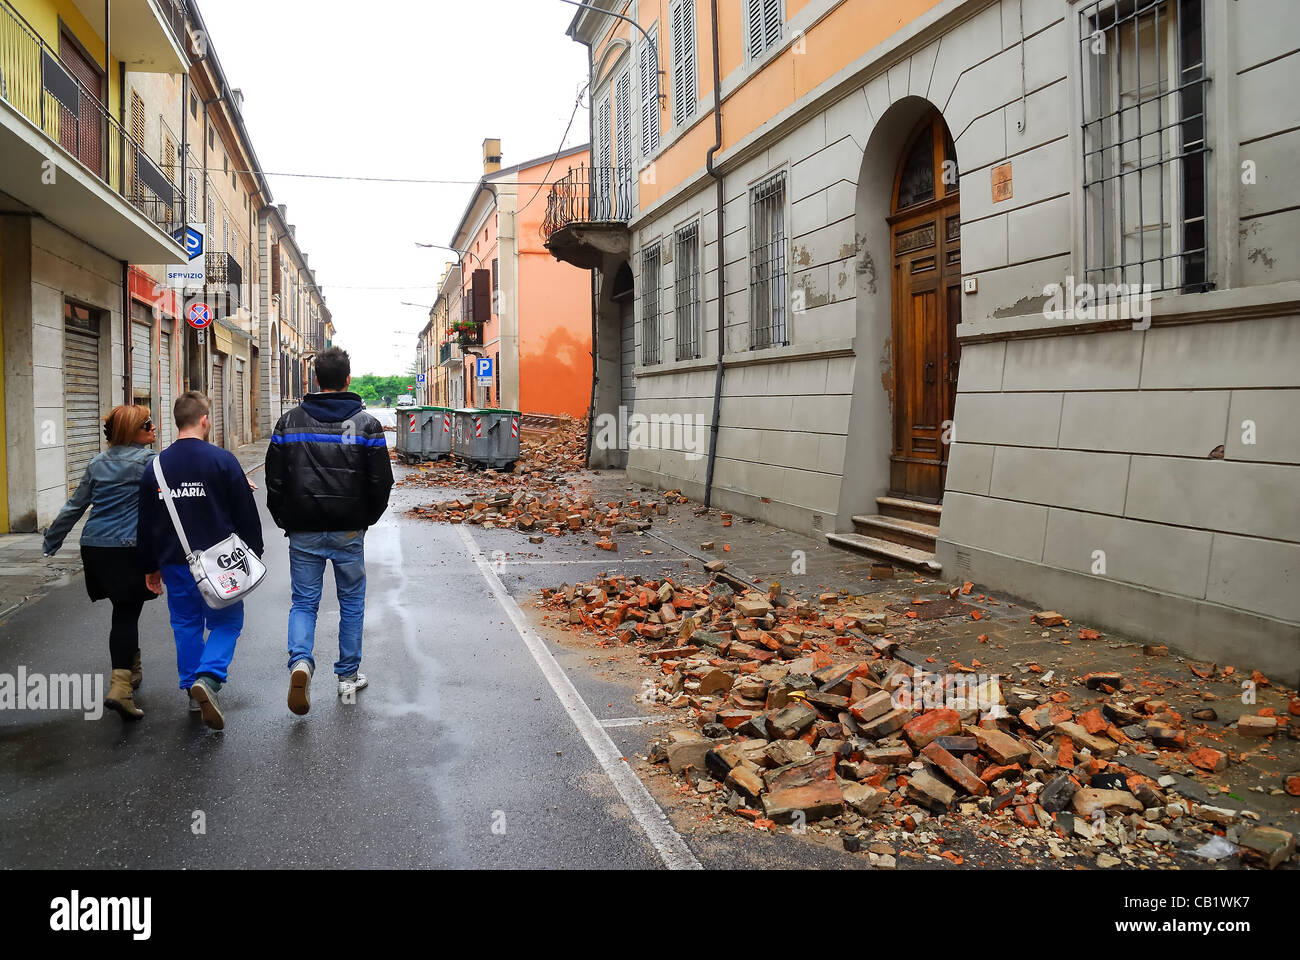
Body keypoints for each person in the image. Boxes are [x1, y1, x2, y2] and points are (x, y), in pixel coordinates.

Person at [265, 347, 392, 716]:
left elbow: (275, 481)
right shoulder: (367, 425)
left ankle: (301, 663)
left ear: (316, 379)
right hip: (348, 530)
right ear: (348, 379)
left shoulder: (289, 423)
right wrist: (364, 519)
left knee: (304, 602)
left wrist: (285, 518)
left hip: (303, 529)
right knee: (350, 602)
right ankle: (347, 678)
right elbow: (381, 483)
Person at [137, 391, 263, 731]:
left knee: (186, 624)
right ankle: (209, 678)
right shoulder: (222, 461)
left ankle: (193, 692)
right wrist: (255, 552)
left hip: (176, 564)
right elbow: (245, 512)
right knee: (226, 623)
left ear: (176, 421)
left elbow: (146, 522)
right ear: (205, 419)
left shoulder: (155, 467)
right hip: (220, 563)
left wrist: (150, 567)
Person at [43, 406, 159, 721]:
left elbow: (74, 506)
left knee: (123, 610)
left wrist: (52, 540)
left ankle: (130, 671)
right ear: (131, 431)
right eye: (146, 424)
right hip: (125, 548)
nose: (153, 427)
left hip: (95, 547)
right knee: (125, 612)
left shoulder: (97, 463)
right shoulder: (149, 464)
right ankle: (121, 687)